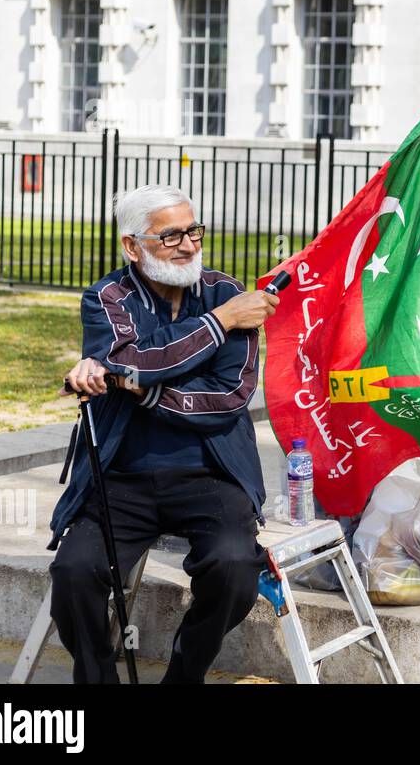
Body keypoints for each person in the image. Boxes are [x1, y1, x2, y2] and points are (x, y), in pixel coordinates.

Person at [48, 184, 279, 683]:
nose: (189, 245)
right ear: (133, 246)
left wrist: (144, 390)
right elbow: (127, 360)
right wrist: (217, 326)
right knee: (73, 574)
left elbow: (228, 399)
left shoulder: (227, 293)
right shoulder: (109, 297)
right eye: (170, 236)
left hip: (212, 474)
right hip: (121, 476)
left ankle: (184, 675)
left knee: (236, 570)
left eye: (193, 230)